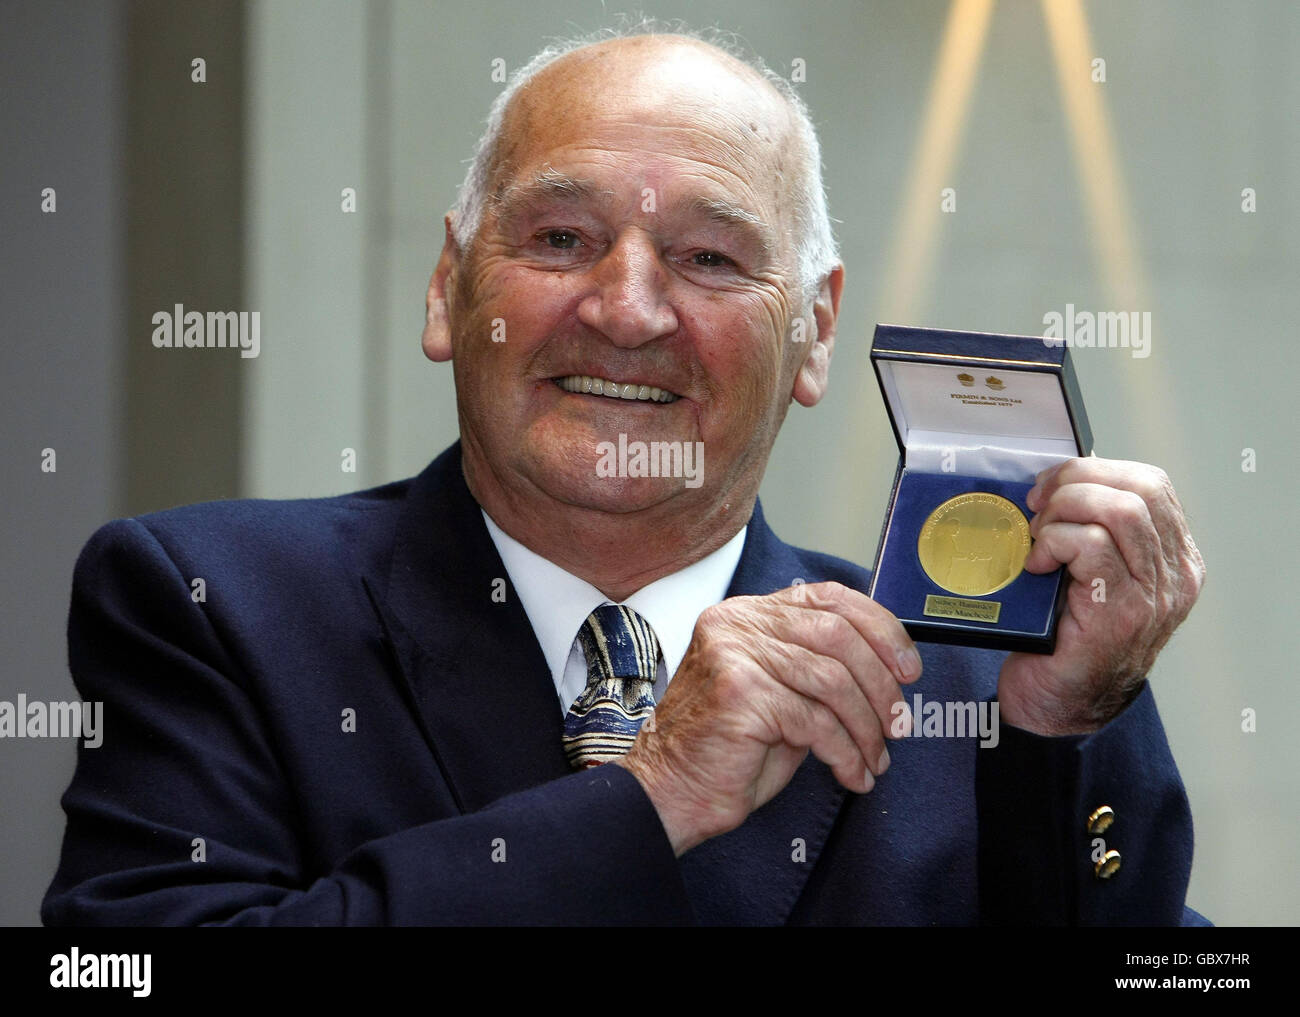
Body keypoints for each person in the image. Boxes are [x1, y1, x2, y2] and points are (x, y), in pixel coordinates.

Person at [43, 26, 1207, 926]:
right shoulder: (215, 603)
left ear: (812, 332)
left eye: (708, 258)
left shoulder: (974, 682)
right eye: (558, 239)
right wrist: (646, 800)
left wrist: (1063, 736)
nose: (627, 310)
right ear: (449, 288)